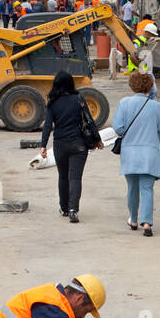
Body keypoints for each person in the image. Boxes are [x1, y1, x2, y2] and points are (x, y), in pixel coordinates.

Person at [39, 70, 103, 223]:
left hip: (60, 144)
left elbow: (47, 125)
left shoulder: (52, 102)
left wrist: (43, 146)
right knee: (75, 177)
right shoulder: (78, 99)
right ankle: (74, 209)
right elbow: (89, 119)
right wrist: (98, 139)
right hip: (79, 144)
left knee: (63, 177)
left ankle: (64, 208)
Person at [112, 71, 160, 235]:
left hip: (130, 153)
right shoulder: (156, 107)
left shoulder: (124, 103)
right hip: (150, 152)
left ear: (132, 85)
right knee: (147, 188)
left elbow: (118, 128)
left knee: (132, 188)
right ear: (150, 87)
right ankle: (147, 224)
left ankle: (133, 219)